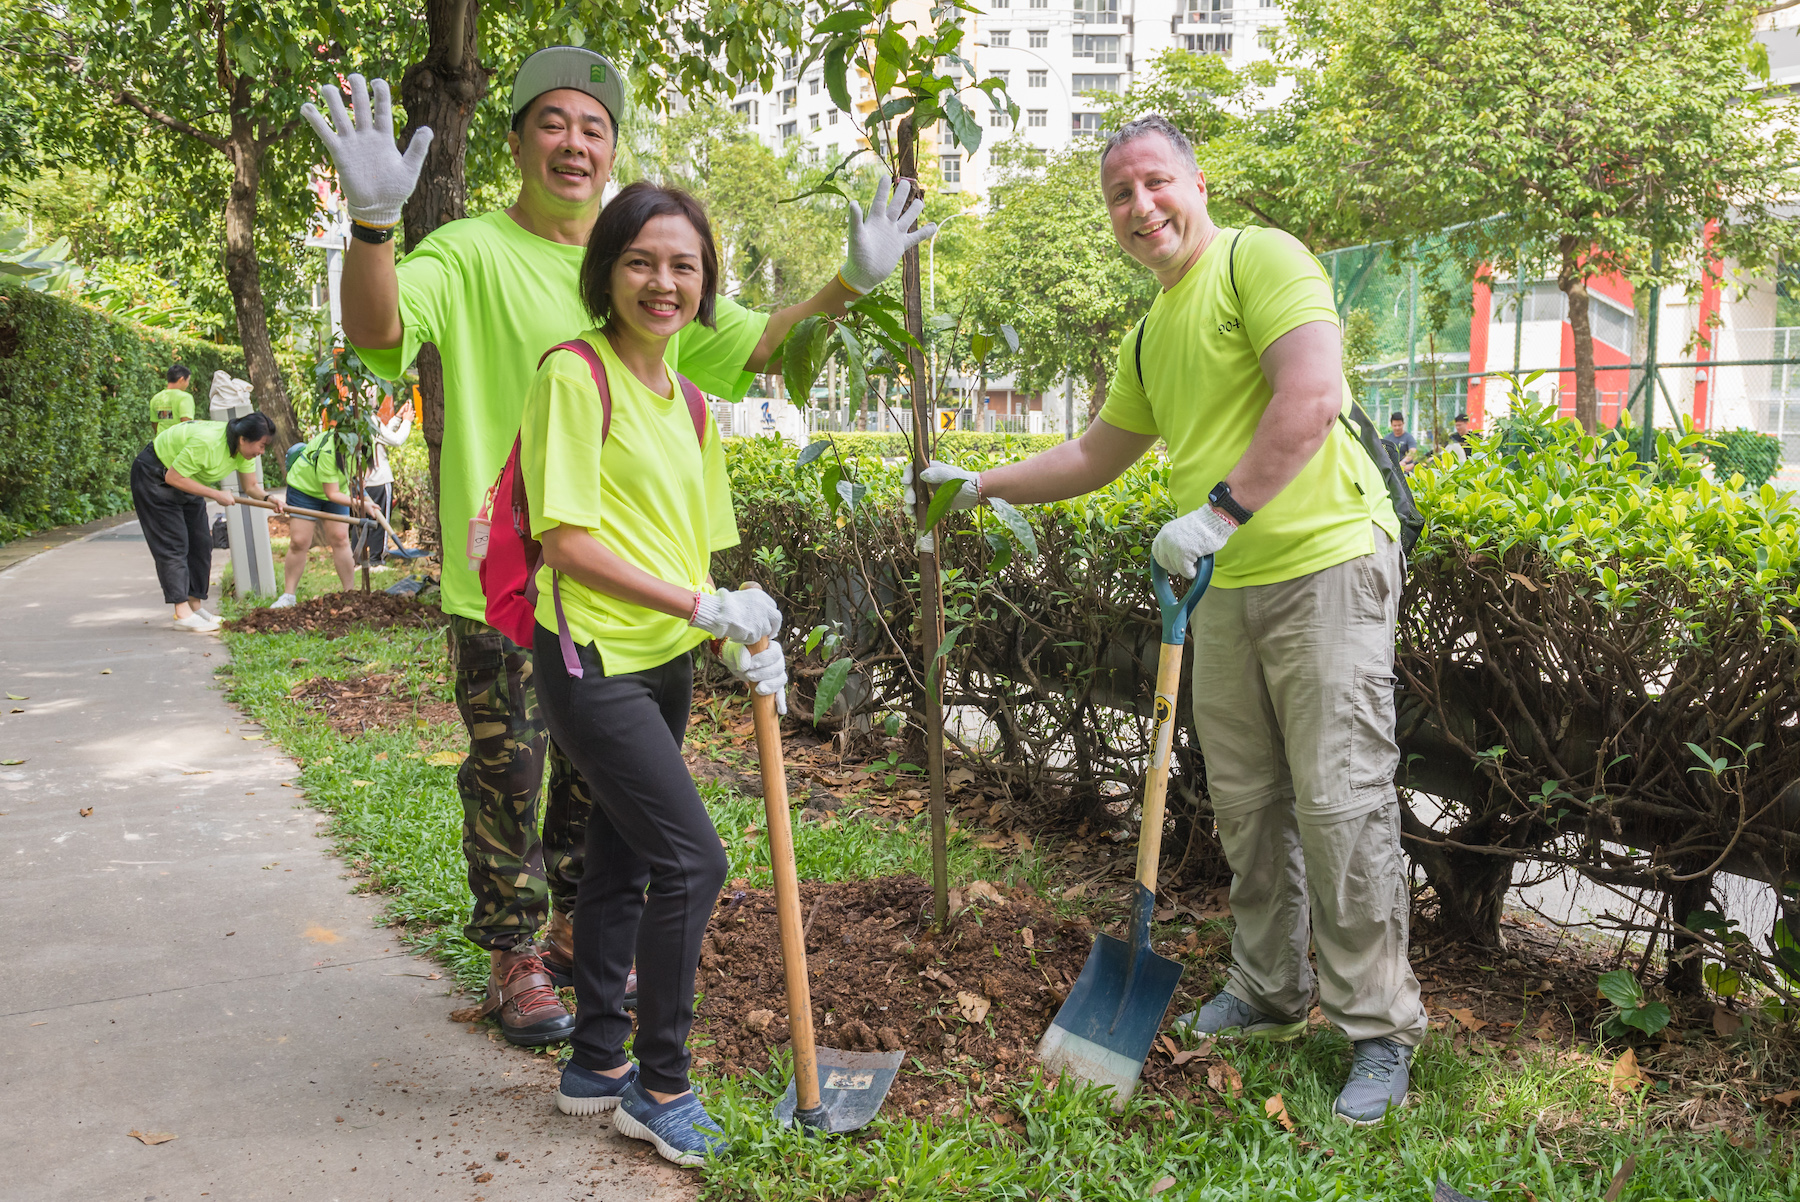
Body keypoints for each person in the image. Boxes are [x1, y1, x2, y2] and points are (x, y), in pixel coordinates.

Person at [301, 49, 931, 1044]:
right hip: (509, 580)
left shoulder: (649, 267)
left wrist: (847, 285)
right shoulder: (469, 252)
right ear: (516, 140)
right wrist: (373, 223)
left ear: (612, 147)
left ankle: (573, 944)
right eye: (551, 122)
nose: (573, 142)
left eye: (593, 126)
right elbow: (378, 327)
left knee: (602, 789)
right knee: (509, 768)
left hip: (630, 596)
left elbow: (757, 343)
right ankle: (515, 954)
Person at [906, 114, 1425, 1124]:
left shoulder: (1259, 260)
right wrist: (979, 485)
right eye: (1118, 196)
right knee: (1245, 800)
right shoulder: (1150, 331)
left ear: (1196, 180)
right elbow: (1096, 452)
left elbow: (1313, 395)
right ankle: (1272, 986)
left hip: (1324, 562)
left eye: (1154, 183)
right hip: (1219, 587)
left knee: (1339, 801)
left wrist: (1220, 512)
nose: (1139, 208)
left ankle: (1379, 1025)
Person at [522, 180, 786, 1166]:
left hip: (667, 662)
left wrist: (737, 640)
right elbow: (566, 541)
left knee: (627, 858)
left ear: (707, 279)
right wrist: (700, 609)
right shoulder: (574, 376)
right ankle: (660, 1084)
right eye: (641, 261)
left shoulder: (694, 405)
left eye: (683, 264)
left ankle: (596, 1063)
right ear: (608, 273)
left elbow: (691, 560)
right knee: (694, 860)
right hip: (591, 657)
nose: (663, 281)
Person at [131, 412, 285, 631]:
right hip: (154, 476)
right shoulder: (208, 443)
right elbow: (173, 478)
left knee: (201, 542)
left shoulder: (244, 453)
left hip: (186, 478)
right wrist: (215, 494)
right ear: (243, 439)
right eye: (260, 446)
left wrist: (269, 499)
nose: (261, 452)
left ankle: (195, 607)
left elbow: (251, 487)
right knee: (174, 543)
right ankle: (182, 612)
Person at [270, 430, 384, 607]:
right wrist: (362, 505)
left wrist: (361, 478)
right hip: (305, 489)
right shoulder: (329, 450)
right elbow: (331, 494)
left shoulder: (362, 444)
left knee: (340, 538)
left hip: (338, 491)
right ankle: (288, 596)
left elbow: (367, 466)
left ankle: (350, 594)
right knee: (299, 541)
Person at [352, 395, 427, 565]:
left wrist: (397, 418)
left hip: (362, 480)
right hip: (379, 479)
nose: (375, 399)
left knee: (360, 521)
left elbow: (380, 437)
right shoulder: (370, 420)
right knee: (381, 522)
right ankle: (377, 559)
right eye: (371, 394)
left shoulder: (354, 419)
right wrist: (407, 421)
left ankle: (356, 560)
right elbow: (396, 440)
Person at [149, 364, 194, 436]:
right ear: (181, 379)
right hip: (178, 442)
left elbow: (155, 423)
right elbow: (186, 423)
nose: (187, 384)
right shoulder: (185, 397)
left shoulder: (156, 398)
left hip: (161, 442)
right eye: (187, 381)